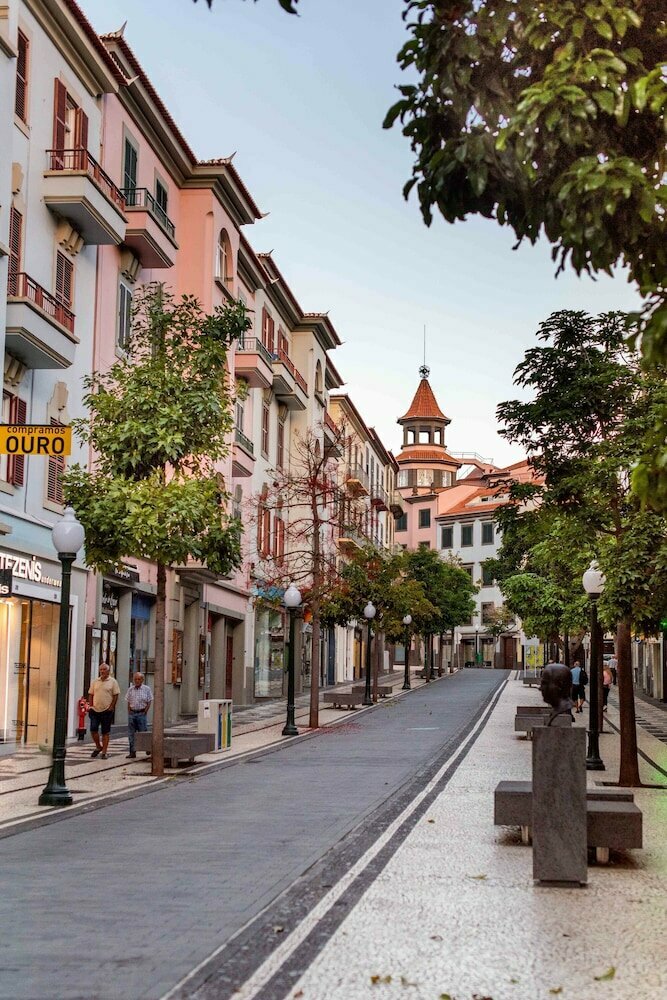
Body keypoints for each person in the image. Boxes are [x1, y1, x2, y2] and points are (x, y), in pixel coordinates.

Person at [88, 663, 120, 759]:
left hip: (106, 710)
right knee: (93, 729)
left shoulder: (113, 682)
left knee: (105, 732)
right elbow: (91, 693)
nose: (102, 671)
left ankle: (104, 751)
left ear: (108, 671)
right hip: (95, 709)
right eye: (101, 669)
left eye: (104, 669)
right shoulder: (95, 681)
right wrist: (91, 705)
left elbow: (116, 695)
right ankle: (98, 746)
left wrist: (111, 706)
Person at [125, 672, 153, 759]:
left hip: (141, 713)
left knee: (143, 731)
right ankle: (132, 751)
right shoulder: (130, 689)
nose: (137, 681)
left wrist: (145, 711)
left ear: (142, 680)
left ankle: (147, 748)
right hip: (132, 713)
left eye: (139, 679)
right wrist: (129, 711)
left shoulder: (146, 689)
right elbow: (128, 701)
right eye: (135, 679)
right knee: (131, 733)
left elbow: (149, 700)